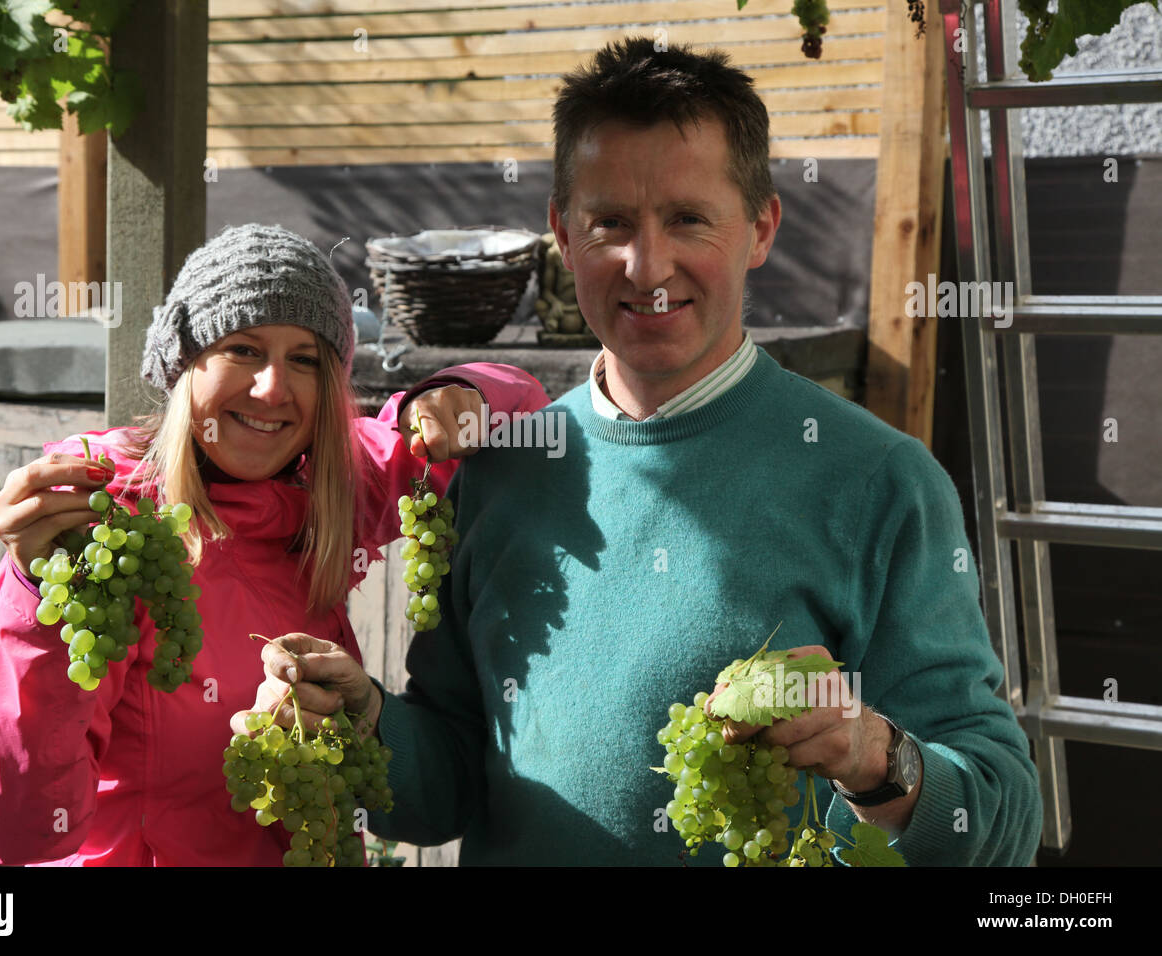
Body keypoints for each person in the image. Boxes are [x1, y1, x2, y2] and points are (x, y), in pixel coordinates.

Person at [238, 39, 1043, 866]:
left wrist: (877, 757)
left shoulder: (882, 482)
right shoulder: (499, 473)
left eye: (688, 218)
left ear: (762, 227)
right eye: (610, 223)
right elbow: (444, 790)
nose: (647, 265)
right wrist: (367, 717)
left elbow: (1002, 824)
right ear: (561, 232)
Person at [0, 223, 549, 866]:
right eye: (242, 349)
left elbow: (524, 402)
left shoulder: (331, 486)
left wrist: (447, 396)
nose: (272, 388)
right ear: (183, 365)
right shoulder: (109, 529)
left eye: (304, 360)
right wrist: (36, 607)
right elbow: (14, 832)